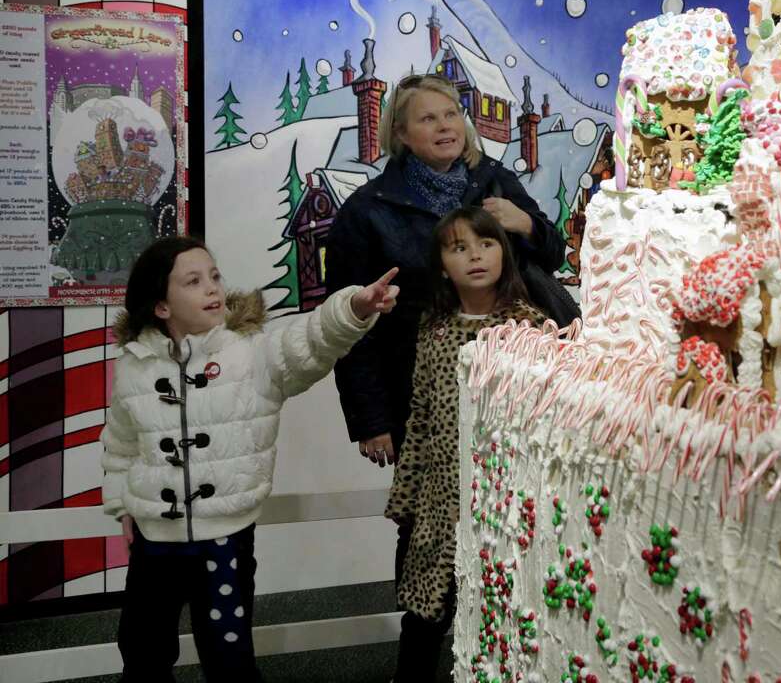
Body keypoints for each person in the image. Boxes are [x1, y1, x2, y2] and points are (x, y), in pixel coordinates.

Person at [322, 74, 564, 662]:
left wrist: (525, 224)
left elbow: (553, 254)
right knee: (430, 536)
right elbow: (352, 326)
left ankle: (509, 661)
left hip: (515, 381)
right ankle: (420, 660)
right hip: (423, 391)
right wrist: (371, 419)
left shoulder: (496, 183)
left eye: (452, 114)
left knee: (515, 525)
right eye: (427, 118)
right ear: (400, 134)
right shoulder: (368, 211)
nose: (445, 126)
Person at [100, 236, 398, 681]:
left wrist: (352, 310)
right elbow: (120, 443)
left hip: (225, 539)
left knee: (228, 653)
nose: (213, 288)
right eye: (194, 281)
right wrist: (121, 506)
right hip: (154, 539)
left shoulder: (252, 353)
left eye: (215, 276)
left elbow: (310, 341)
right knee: (142, 648)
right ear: (161, 306)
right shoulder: (133, 366)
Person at [386, 207, 546, 678]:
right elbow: (420, 418)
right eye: (459, 248)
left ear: (505, 253)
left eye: (486, 244)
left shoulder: (528, 329)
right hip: (441, 505)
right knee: (424, 613)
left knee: (501, 615)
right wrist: (407, 499)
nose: (475, 256)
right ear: (441, 264)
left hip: (502, 504)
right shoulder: (434, 330)